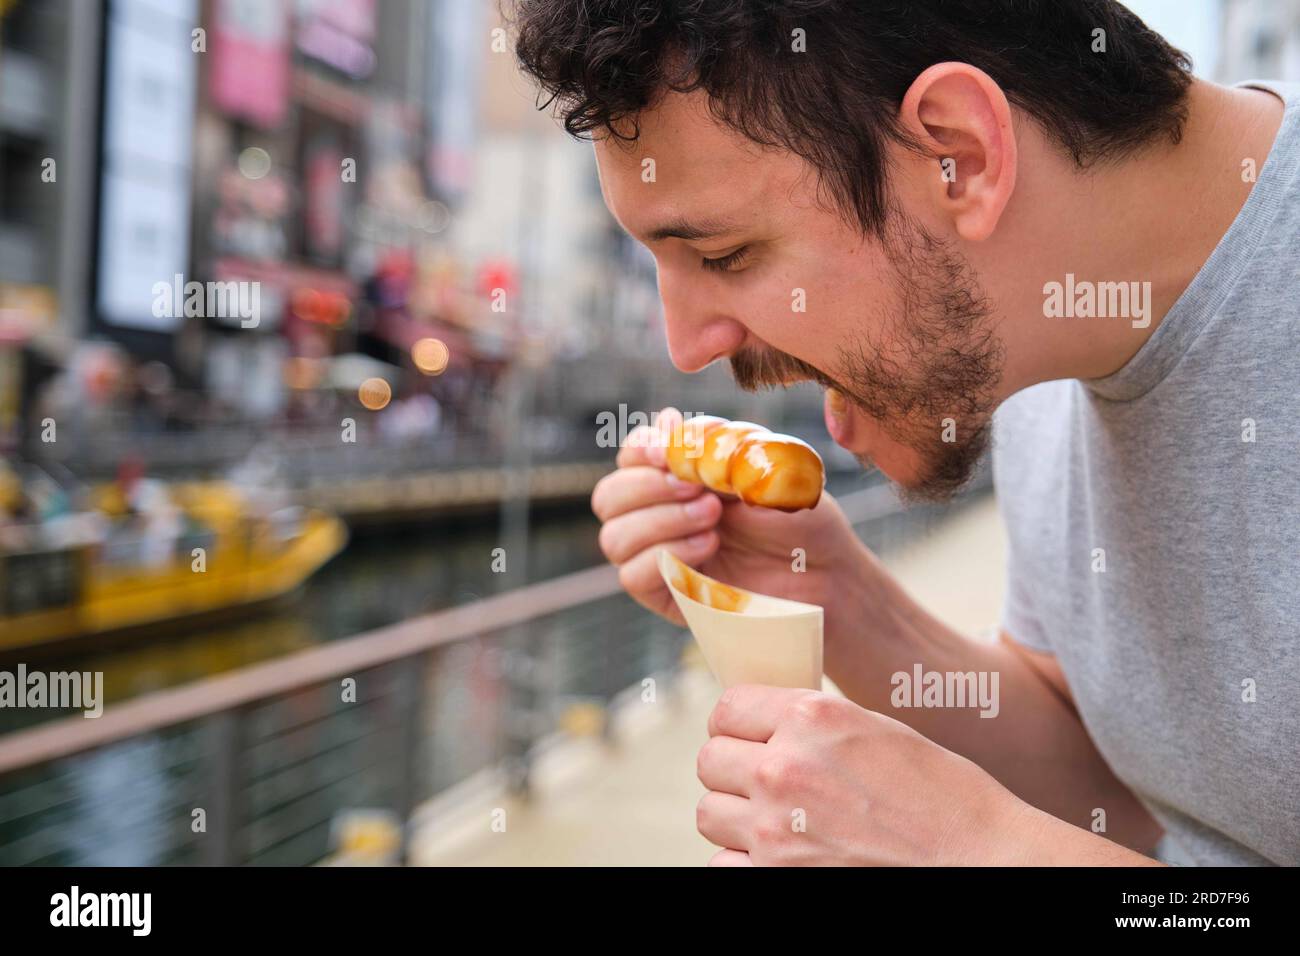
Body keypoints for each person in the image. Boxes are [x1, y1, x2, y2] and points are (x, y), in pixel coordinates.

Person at [512, 0, 1300, 866]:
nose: (688, 345)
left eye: (726, 255)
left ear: (957, 155)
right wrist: (841, 598)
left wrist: (979, 850)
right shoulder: (1028, 330)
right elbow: (1139, 805)